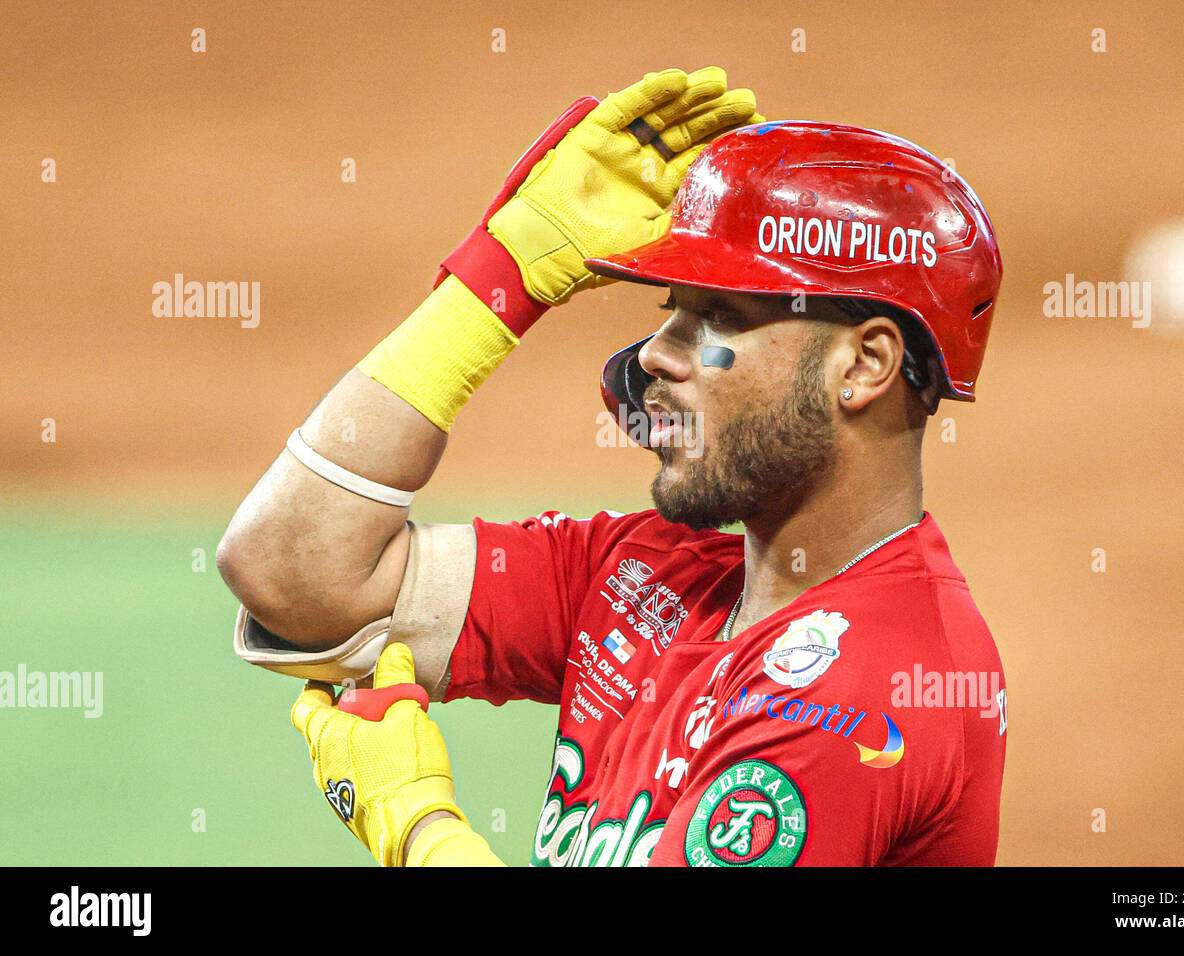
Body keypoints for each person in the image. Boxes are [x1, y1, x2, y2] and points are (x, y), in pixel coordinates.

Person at [219, 66, 1008, 867]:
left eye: (720, 318)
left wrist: (417, 831)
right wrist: (502, 280)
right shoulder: (651, 578)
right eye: (673, 311)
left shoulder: (868, 695)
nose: (657, 353)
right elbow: (291, 566)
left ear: (865, 365)